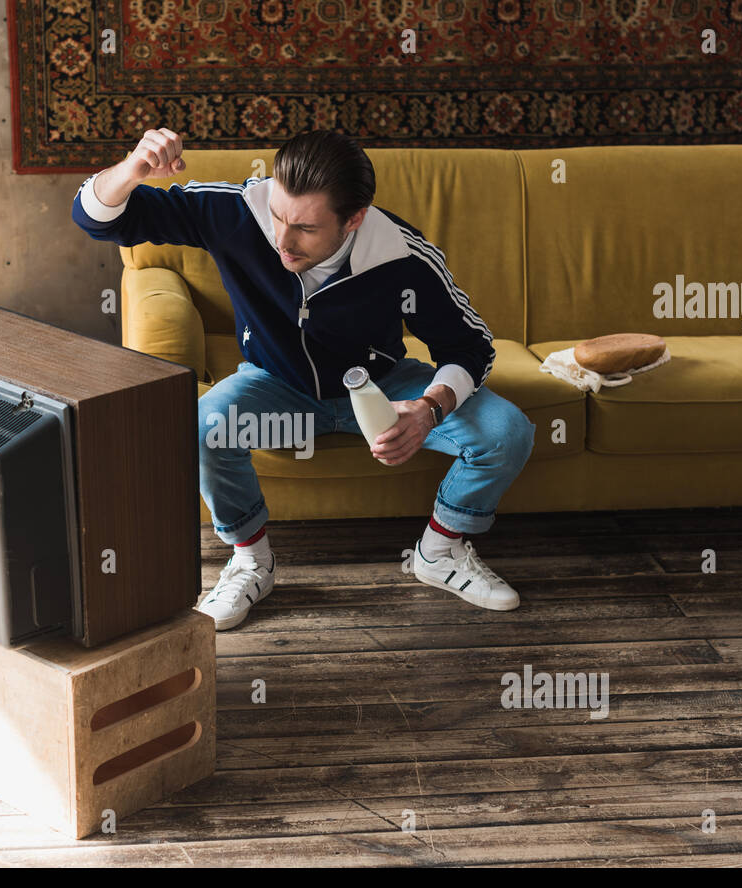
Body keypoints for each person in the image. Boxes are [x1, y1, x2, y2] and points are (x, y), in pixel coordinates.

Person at [72, 129, 535, 630]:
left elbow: (471, 347)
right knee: (203, 424)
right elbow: (94, 218)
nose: (282, 241)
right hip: (276, 384)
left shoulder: (403, 255)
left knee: (507, 432)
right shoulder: (238, 212)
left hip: (381, 390)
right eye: (278, 216)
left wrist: (431, 409)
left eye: (306, 229)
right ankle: (253, 562)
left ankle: (439, 552)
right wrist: (132, 170)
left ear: (354, 219)